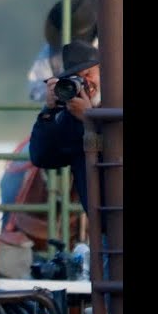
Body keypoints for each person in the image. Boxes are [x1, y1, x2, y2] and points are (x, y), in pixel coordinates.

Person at [29, 40, 102, 214]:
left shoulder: (116, 107)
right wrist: (49, 111)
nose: (85, 83)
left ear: (103, 72)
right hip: (103, 226)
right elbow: (41, 157)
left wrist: (89, 119)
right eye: (76, 78)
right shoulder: (70, 119)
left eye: (88, 74)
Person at [27, 0, 98, 103]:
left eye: (87, 74)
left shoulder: (112, 45)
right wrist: (58, 90)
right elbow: (35, 89)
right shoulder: (53, 52)